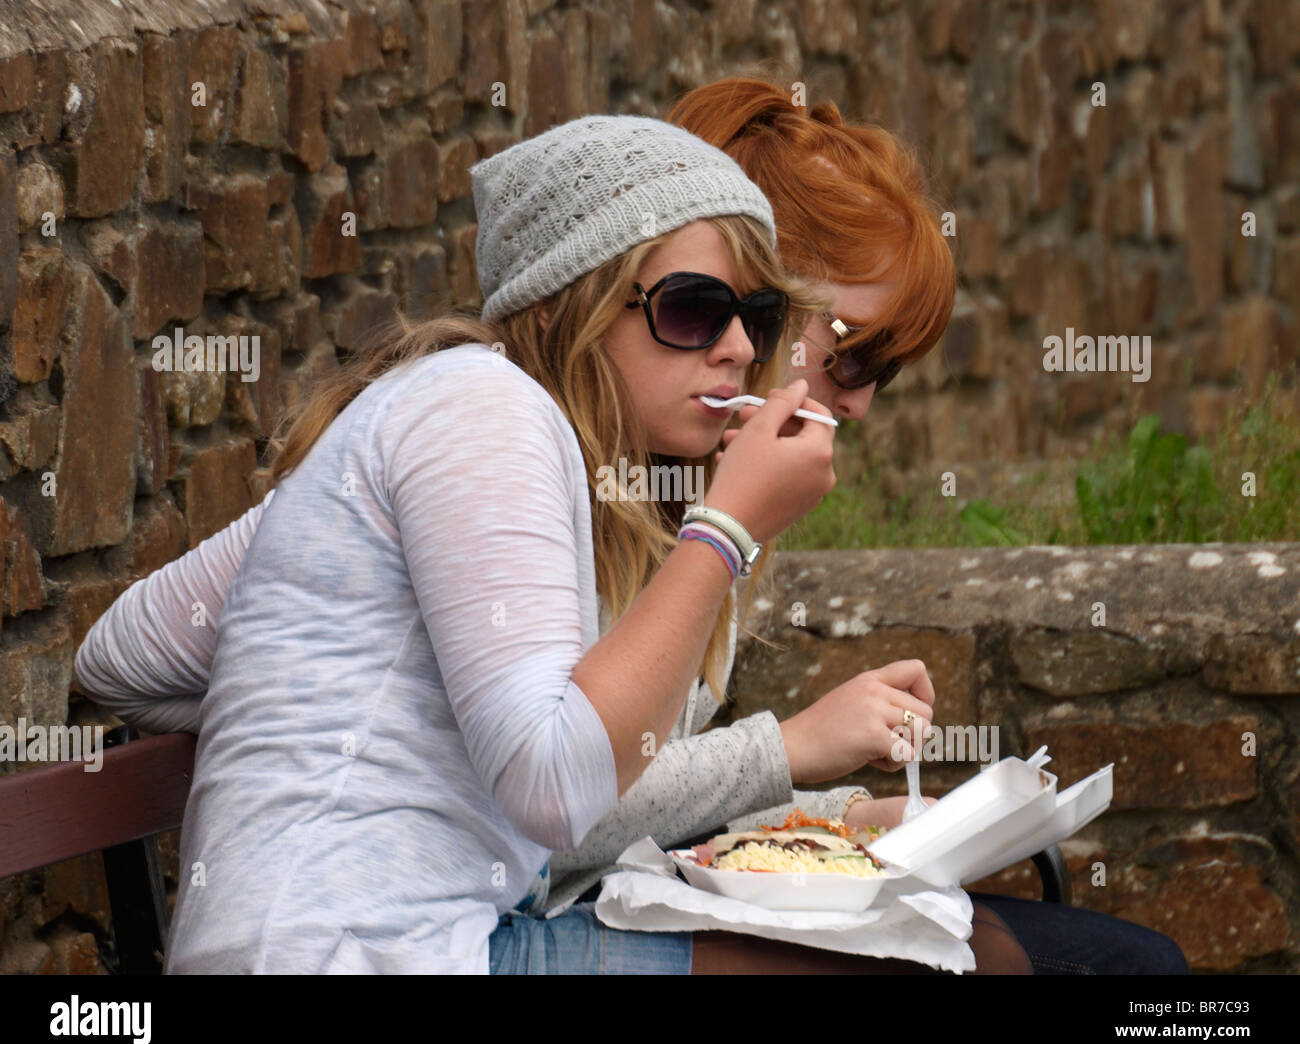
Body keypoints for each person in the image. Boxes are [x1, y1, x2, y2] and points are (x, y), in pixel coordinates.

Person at [75, 113, 1030, 973]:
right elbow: (556, 787)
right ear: (556, 305)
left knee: (944, 942)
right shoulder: (490, 412)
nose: (738, 346)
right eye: (692, 309)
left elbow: (121, 656)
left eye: (758, 316)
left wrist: (350, 625)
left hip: (444, 935)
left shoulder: (494, 431)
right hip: (354, 950)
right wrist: (727, 531)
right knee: (939, 957)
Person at [664, 76, 1189, 975]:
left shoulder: (700, 489)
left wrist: (842, 820)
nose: (862, 400)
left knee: (1137, 967)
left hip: (634, 896)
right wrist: (792, 747)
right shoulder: (608, 490)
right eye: (853, 352)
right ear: (748, 301)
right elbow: (566, 809)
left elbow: (649, 800)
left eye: (889, 370)